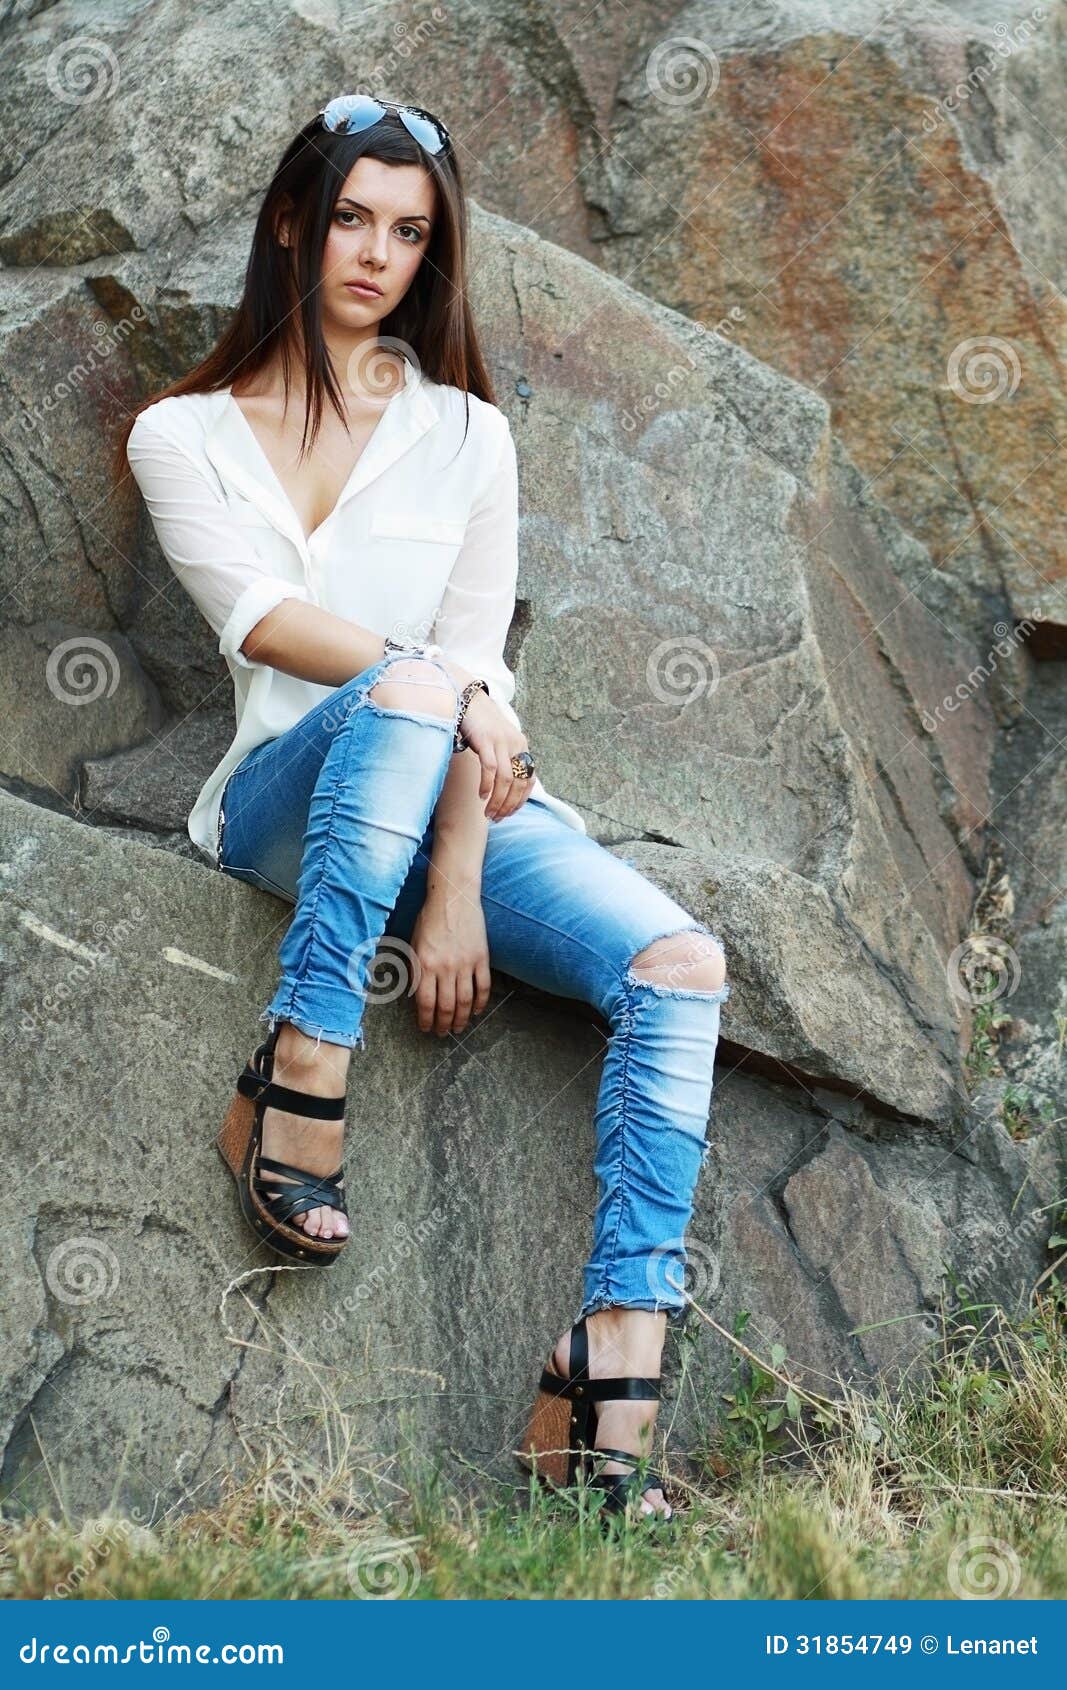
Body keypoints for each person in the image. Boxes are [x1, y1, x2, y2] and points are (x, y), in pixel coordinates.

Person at [116, 94, 730, 1522]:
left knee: (681, 965)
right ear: (292, 224)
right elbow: (265, 623)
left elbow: (474, 664)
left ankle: (611, 1355)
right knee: (403, 685)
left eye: (407, 233)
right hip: (284, 798)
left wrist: (458, 880)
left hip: (455, 809)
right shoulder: (180, 433)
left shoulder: (469, 437)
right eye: (350, 219)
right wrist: (449, 693)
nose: (375, 255)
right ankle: (302, 1055)